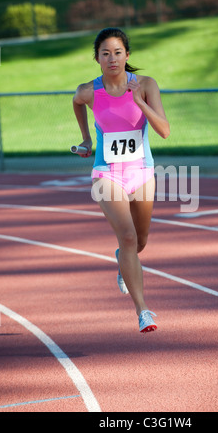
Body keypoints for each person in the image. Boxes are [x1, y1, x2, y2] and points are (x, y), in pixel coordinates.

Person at [73, 27, 170, 333]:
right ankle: (143, 311)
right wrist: (86, 139)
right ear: (97, 58)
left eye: (117, 52)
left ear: (127, 55)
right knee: (127, 237)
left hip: (141, 171)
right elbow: (76, 101)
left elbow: (165, 131)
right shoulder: (90, 91)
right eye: (105, 53)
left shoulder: (146, 84)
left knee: (140, 241)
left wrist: (140, 102)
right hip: (106, 173)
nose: (112, 58)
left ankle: (122, 260)